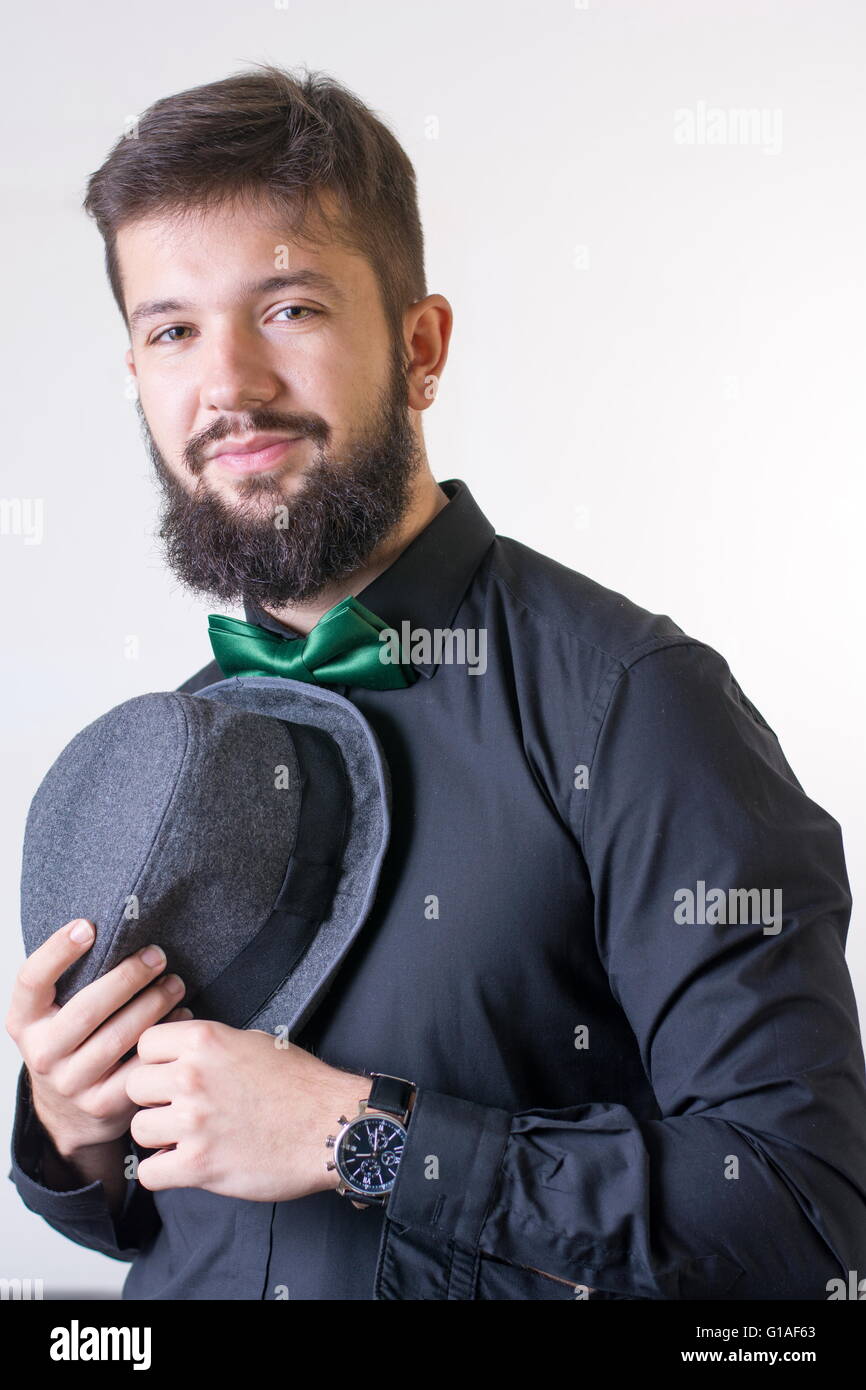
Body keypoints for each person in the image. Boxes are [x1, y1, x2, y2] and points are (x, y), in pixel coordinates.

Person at [7, 62, 866, 1301]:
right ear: (137, 372)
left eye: (288, 308)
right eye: (173, 329)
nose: (228, 384)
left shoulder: (636, 705)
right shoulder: (168, 747)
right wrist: (70, 1131)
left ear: (420, 345)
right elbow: (167, 1228)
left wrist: (353, 1135)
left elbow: (800, 1214)